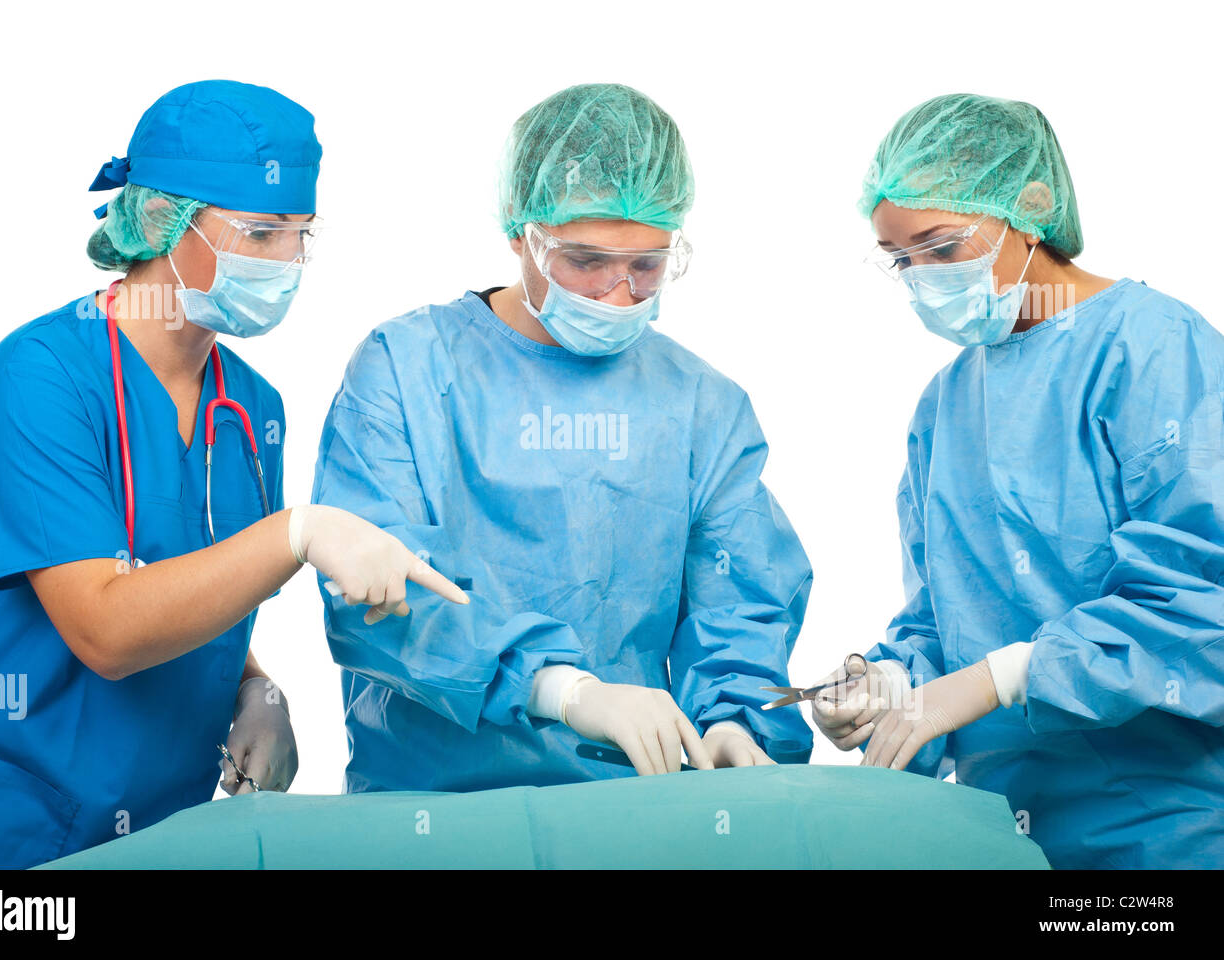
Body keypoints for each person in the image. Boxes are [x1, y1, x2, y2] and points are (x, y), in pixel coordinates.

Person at [0, 80, 465, 869]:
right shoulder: (37, 379)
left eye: (301, 236)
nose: (289, 262)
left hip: (164, 828)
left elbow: (189, 584)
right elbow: (106, 627)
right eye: (261, 232)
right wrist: (298, 533)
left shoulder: (251, 408)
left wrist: (255, 685)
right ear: (160, 220)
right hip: (6, 829)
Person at [312, 82, 814, 791]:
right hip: (431, 811)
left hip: (630, 809)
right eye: (585, 262)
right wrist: (561, 690)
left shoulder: (701, 404)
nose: (617, 293)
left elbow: (738, 601)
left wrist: (733, 719)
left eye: (646, 266)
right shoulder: (408, 369)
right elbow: (375, 596)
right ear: (521, 233)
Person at [811, 93, 1224, 868]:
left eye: (940, 247)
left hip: (1165, 827)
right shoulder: (946, 403)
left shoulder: (1157, 351)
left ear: (1028, 210)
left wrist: (1008, 675)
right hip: (997, 829)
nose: (921, 278)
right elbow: (946, 615)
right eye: (900, 258)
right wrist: (893, 681)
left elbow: (1205, 603)